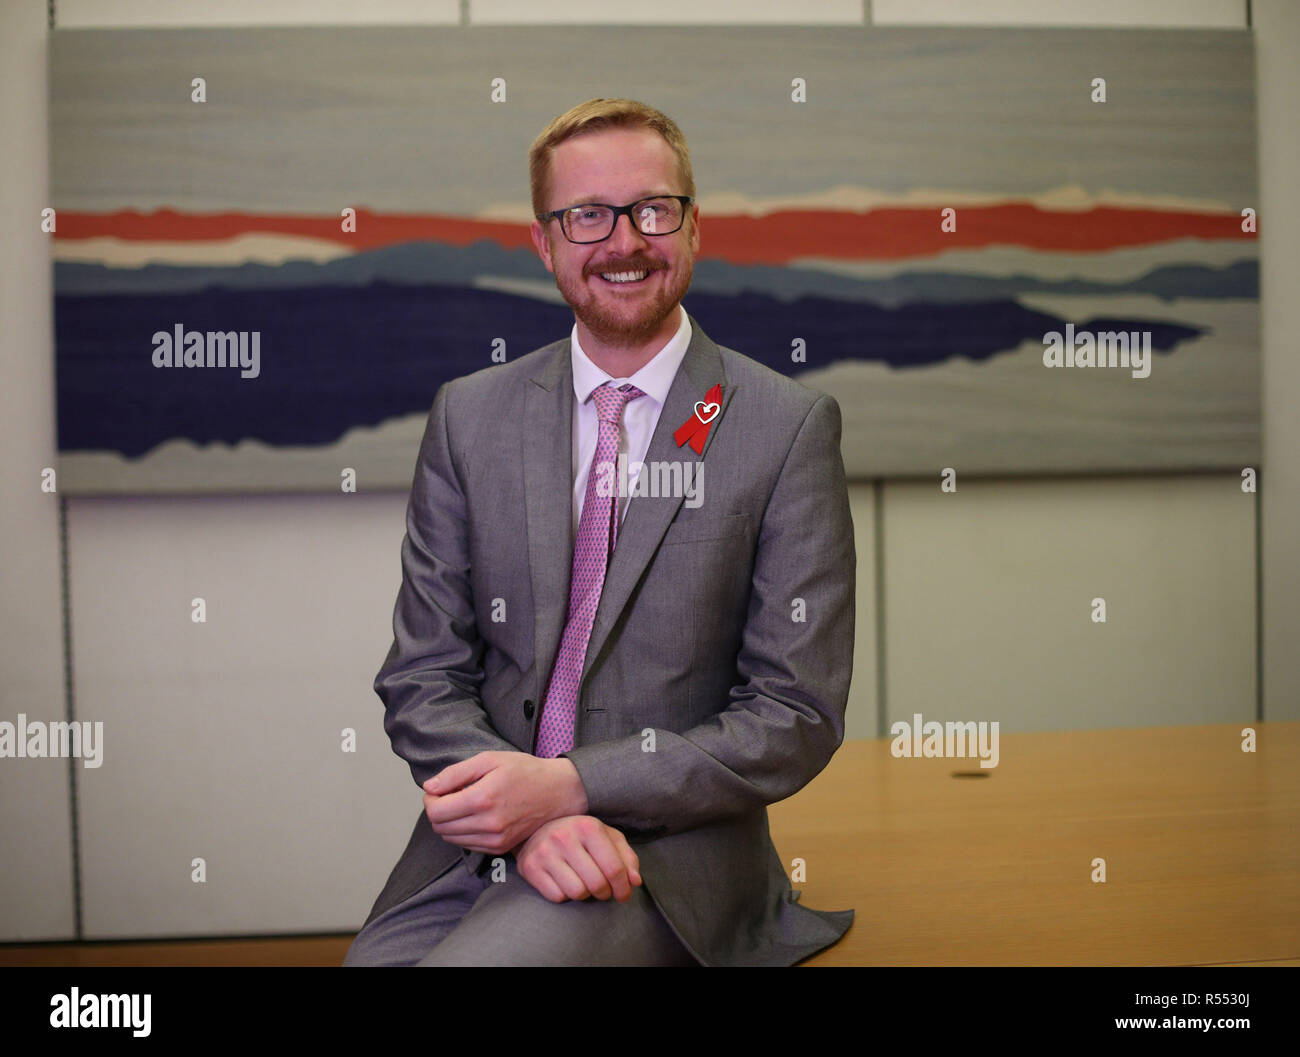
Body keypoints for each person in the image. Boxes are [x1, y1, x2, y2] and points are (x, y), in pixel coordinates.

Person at [343, 98, 855, 967]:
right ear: (544, 243)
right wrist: (524, 815)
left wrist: (573, 786)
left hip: (669, 860)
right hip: (482, 847)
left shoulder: (785, 428)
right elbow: (423, 673)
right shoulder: (471, 417)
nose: (624, 241)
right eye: (587, 216)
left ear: (694, 228)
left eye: (653, 209)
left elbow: (794, 712)